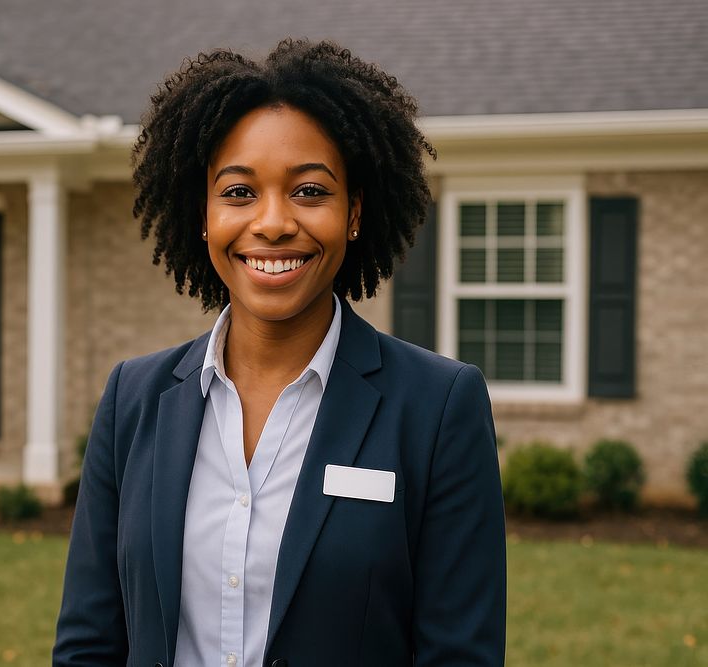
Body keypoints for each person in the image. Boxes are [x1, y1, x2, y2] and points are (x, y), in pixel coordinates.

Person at [54, 38, 506, 667]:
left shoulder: (436, 408)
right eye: (238, 192)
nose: (271, 223)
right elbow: (88, 644)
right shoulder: (134, 398)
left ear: (353, 213)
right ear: (203, 215)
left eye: (310, 192)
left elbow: (460, 655)